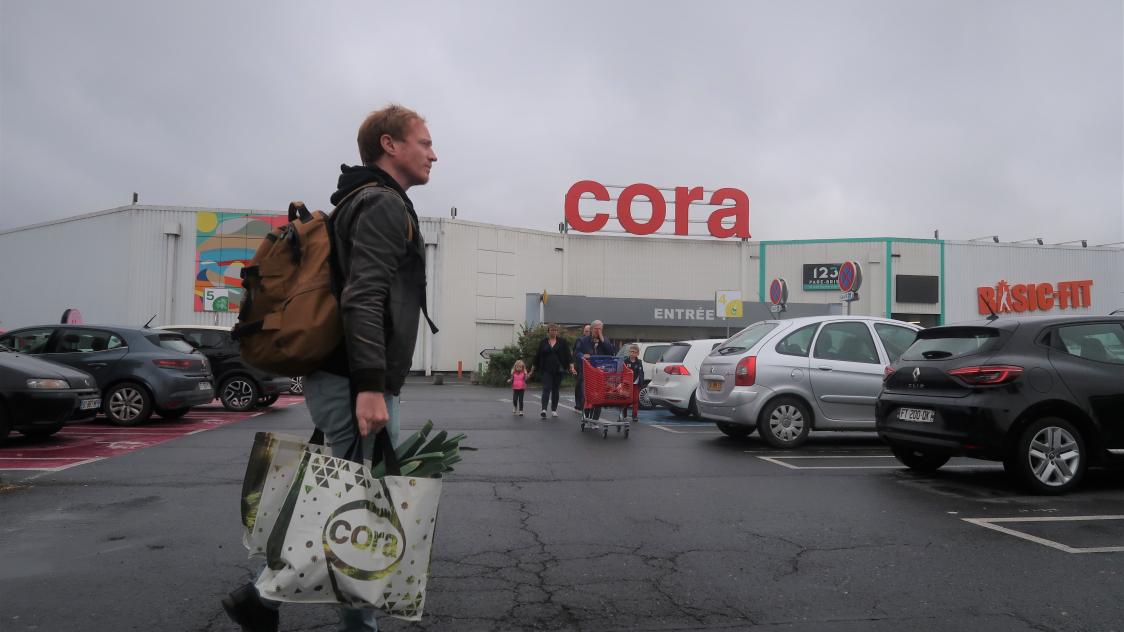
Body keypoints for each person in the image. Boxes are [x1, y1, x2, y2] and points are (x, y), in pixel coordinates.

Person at [222, 104, 437, 632]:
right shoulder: (384, 204)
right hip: (355, 379)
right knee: (357, 505)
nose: (434, 153)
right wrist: (370, 386)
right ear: (390, 145)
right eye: (425, 142)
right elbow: (364, 297)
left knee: (351, 500)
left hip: (343, 375)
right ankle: (265, 598)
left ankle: (282, 604)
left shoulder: (360, 201)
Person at [573, 320, 616, 420]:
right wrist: (582, 356)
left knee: (599, 397)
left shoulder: (604, 340)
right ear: (591, 329)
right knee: (587, 396)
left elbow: (611, 352)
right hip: (587, 373)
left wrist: (602, 339)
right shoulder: (583, 340)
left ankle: (595, 420)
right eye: (596, 329)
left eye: (600, 329)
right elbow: (576, 352)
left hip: (600, 374)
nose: (598, 331)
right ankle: (586, 415)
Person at [531, 323, 575, 418]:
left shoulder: (562, 342)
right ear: (548, 331)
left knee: (555, 390)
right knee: (546, 388)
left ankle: (554, 410)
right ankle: (544, 409)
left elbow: (568, 355)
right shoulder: (543, 342)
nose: (553, 332)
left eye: (555, 330)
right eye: (552, 330)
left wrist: (572, 367)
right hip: (546, 369)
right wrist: (532, 370)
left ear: (557, 332)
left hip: (559, 369)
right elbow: (537, 356)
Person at [622, 344, 644, 422]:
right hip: (627, 384)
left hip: (635, 384)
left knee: (635, 400)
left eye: (634, 352)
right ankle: (623, 413)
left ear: (637, 353)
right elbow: (622, 372)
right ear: (629, 352)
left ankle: (634, 415)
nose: (632, 353)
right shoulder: (625, 361)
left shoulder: (639, 362)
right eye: (631, 352)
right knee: (626, 400)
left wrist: (641, 382)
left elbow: (641, 373)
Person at [573, 324, 592, 410]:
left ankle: (587, 403)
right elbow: (575, 352)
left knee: (588, 385)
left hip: (590, 366)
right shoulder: (580, 340)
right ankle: (579, 404)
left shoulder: (593, 340)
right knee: (579, 384)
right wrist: (582, 356)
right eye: (586, 331)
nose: (587, 332)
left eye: (588, 331)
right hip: (580, 365)